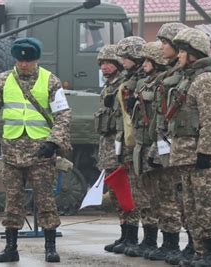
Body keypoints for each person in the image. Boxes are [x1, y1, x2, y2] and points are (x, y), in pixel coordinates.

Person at [0, 37, 71, 263]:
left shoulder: (50, 81)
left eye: (29, 61)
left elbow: (63, 115)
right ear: (15, 59)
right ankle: (10, 247)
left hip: (41, 153)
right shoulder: (3, 80)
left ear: (37, 60)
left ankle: (50, 247)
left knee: (46, 201)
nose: (24, 64)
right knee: (12, 201)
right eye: (20, 61)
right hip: (12, 152)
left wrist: (53, 141)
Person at [169, 28, 211, 267]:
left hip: (202, 157)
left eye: (182, 51)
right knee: (191, 208)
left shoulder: (205, 80)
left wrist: (205, 151)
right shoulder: (189, 79)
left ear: (193, 54)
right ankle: (200, 253)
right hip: (186, 156)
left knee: (206, 207)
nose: (179, 55)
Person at [145, 22, 193, 264]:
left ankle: (194, 246)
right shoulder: (171, 76)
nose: (161, 47)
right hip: (167, 144)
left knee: (186, 199)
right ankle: (174, 244)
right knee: (171, 196)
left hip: (185, 148)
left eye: (165, 43)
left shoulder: (191, 77)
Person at [124, 41, 167, 258]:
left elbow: (161, 118)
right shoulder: (144, 83)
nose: (145, 64)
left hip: (154, 146)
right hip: (141, 145)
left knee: (162, 197)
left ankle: (167, 243)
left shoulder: (162, 83)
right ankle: (149, 240)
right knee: (144, 196)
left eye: (149, 61)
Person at [106, 36, 147, 255]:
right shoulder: (129, 79)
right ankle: (127, 235)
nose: (121, 61)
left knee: (138, 192)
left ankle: (136, 238)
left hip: (138, 143)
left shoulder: (143, 80)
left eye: (124, 56)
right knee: (126, 191)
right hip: (127, 141)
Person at [94, 44, 129, 252]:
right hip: (107, 146)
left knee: (124, 191)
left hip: (119, 146)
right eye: (102, 64)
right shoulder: (107, 87)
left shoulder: (123, 85)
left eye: (109, 63)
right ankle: (124, 234)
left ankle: (131, 236)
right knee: (115, 193)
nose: (105, 67)